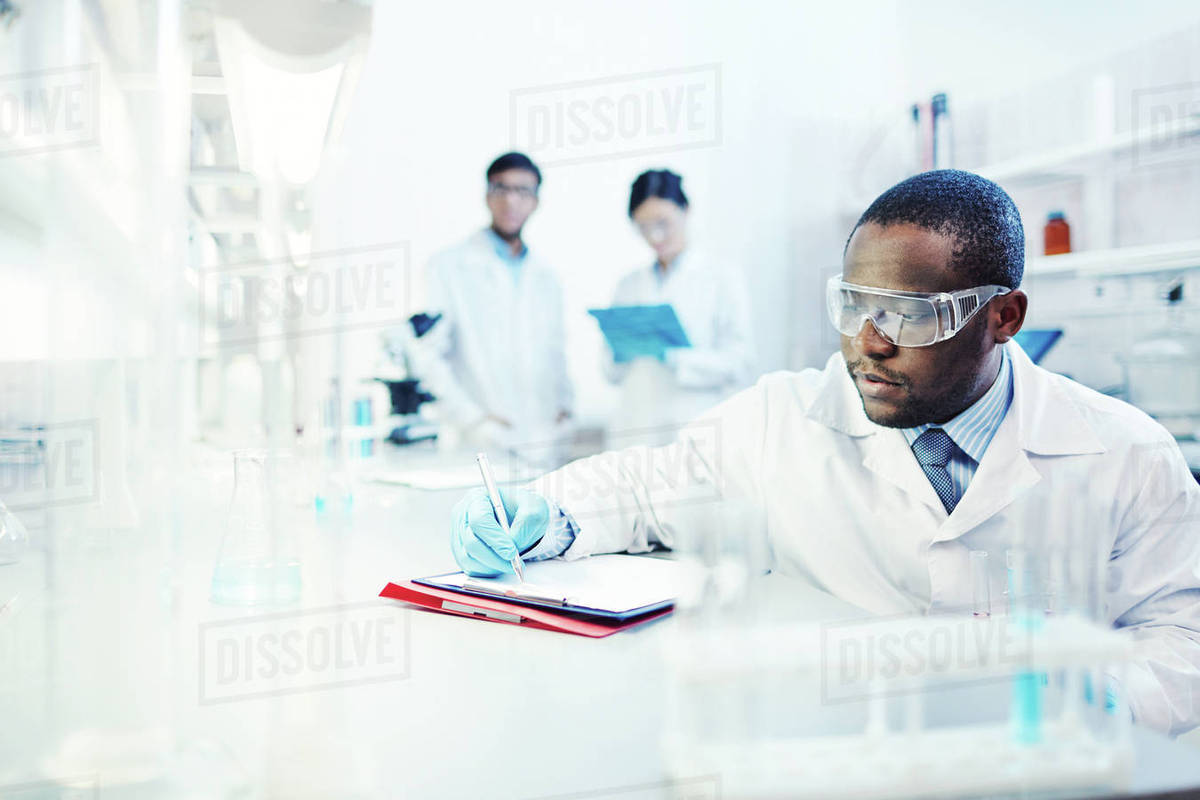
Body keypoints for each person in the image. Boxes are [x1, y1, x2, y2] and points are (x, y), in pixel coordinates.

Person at [447, 169, 1200, 736]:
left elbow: (1181, 633)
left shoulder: (1129, 455)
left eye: (908, 316)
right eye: (854, 305)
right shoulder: (784, 418)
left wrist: (1081, 685)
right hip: (841, 751)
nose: (867, 344)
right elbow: (650, 485)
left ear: (1003, 317)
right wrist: (546, 512)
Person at [406, 152, 572, 455]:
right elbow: (426, 355)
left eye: (522, 191)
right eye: (501, 189)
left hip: (543, 439)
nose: (511, 201)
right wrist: (472, 420)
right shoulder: (448, 267)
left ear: (536, 201)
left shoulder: (547, 277)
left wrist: (565, 409)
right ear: (487, 195)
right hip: (479, 441)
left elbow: (556, 351)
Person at [601, 169, 754, 441]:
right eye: (643, 227)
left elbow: (739, 363)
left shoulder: (721, 278)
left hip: (694, 426)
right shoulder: (629, 285)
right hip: (634, 427)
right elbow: (610, 371)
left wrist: (673, 356)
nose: (655, 237)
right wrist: (621, 349)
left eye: (663, 223)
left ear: (686, 210)